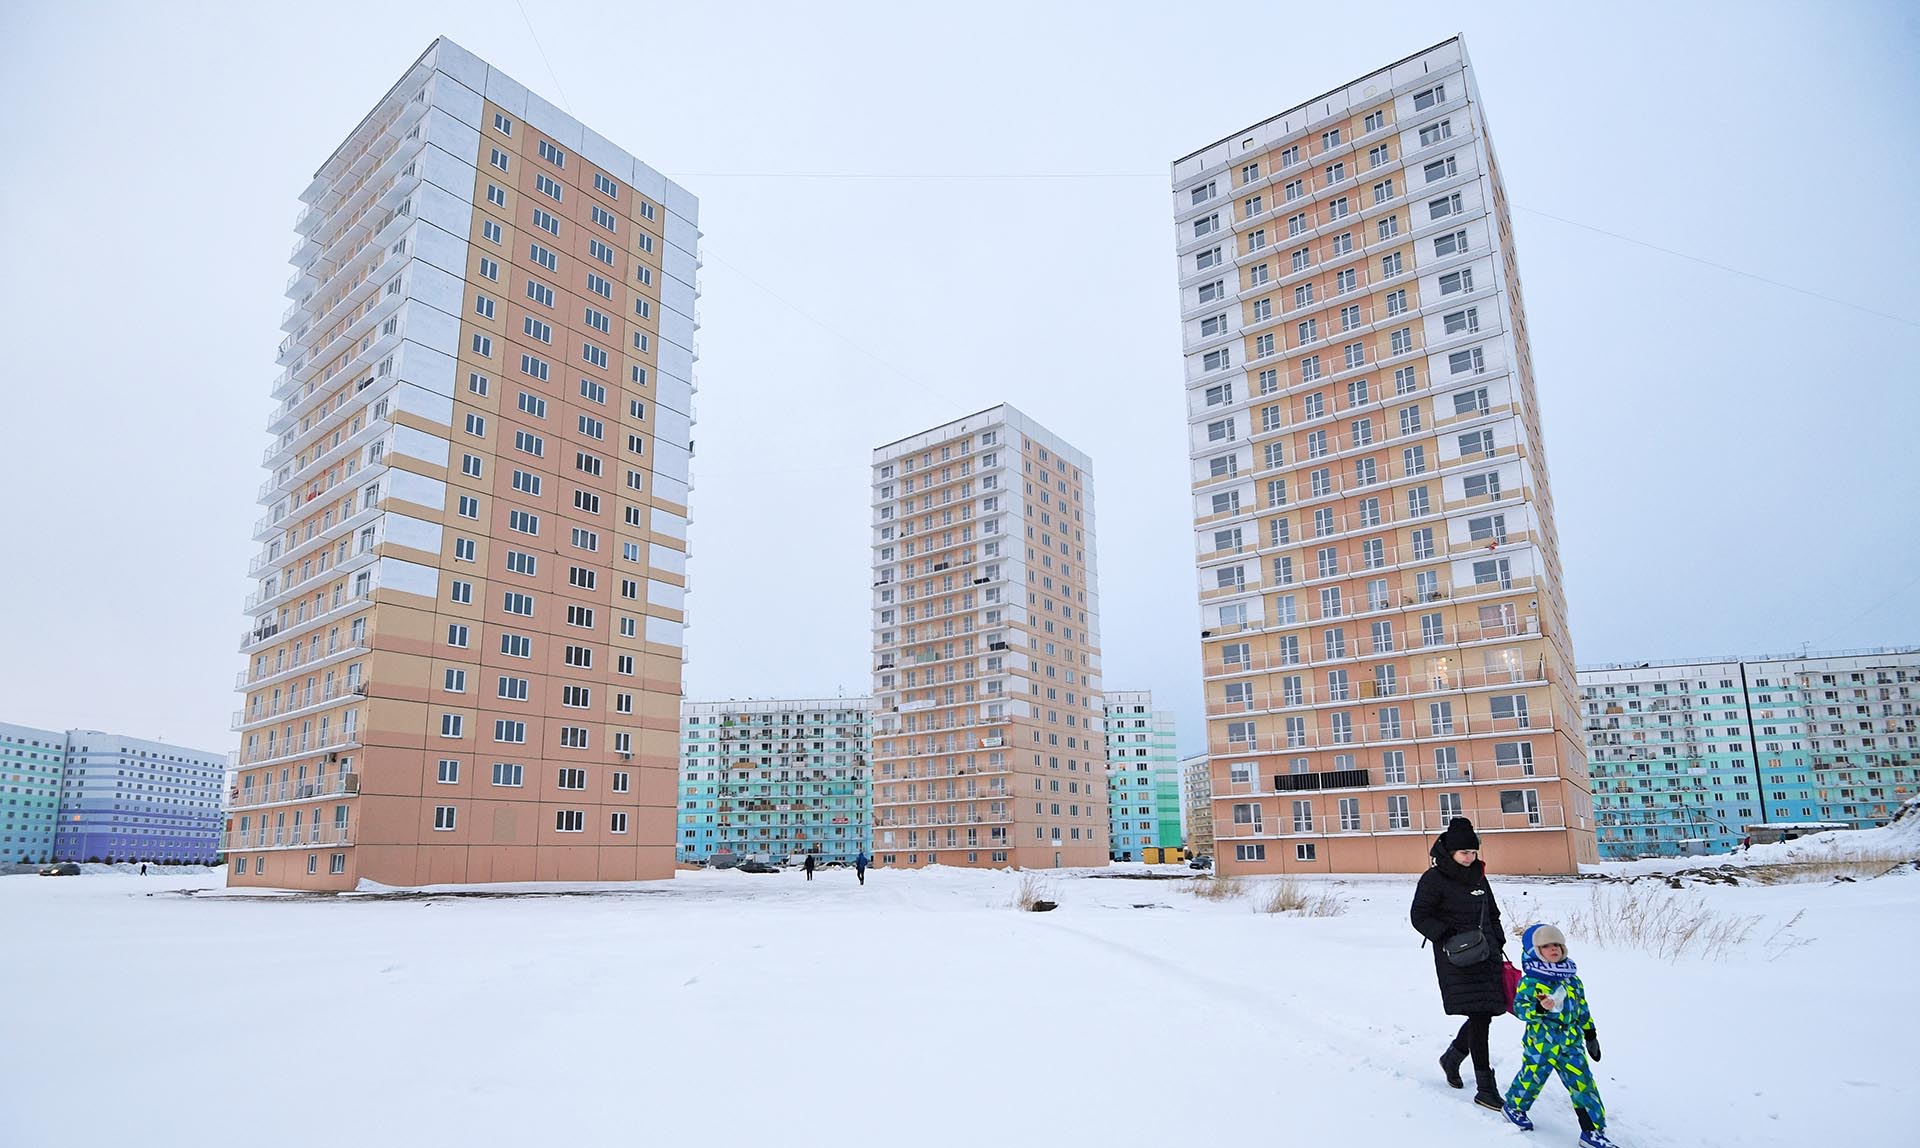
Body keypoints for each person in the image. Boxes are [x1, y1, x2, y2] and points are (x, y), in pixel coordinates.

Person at [1410, 817, 1509, 1112]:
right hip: (1456, 957)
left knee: (1487, 1013)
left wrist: (1498, 941)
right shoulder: (1434, 879)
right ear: (1450, 852)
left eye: (1472, 852)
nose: (1469, 858)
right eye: (1463, 853)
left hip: (1486, 953)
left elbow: (1492, 913)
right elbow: (1420, 916)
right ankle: (1485, 1088)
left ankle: (1452, 1058)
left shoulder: (1480, 877)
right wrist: (1448, 935)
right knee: (1479, 1014)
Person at [1502, 923, 1613, 1148]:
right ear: (1536, 951)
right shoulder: (1531, 981)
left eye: (1557, 945)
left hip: (1571, 1043)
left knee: (1583, 1084)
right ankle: (1514, 1106)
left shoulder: (1572, 979)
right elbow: (1520, 1009)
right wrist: (1540, 1007)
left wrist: (1590, 1033)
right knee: (1532, 1077)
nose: (1554, 949)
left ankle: (1592, 1130)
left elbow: (1582, 1008)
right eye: (1547, 946)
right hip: (1541, 1042)